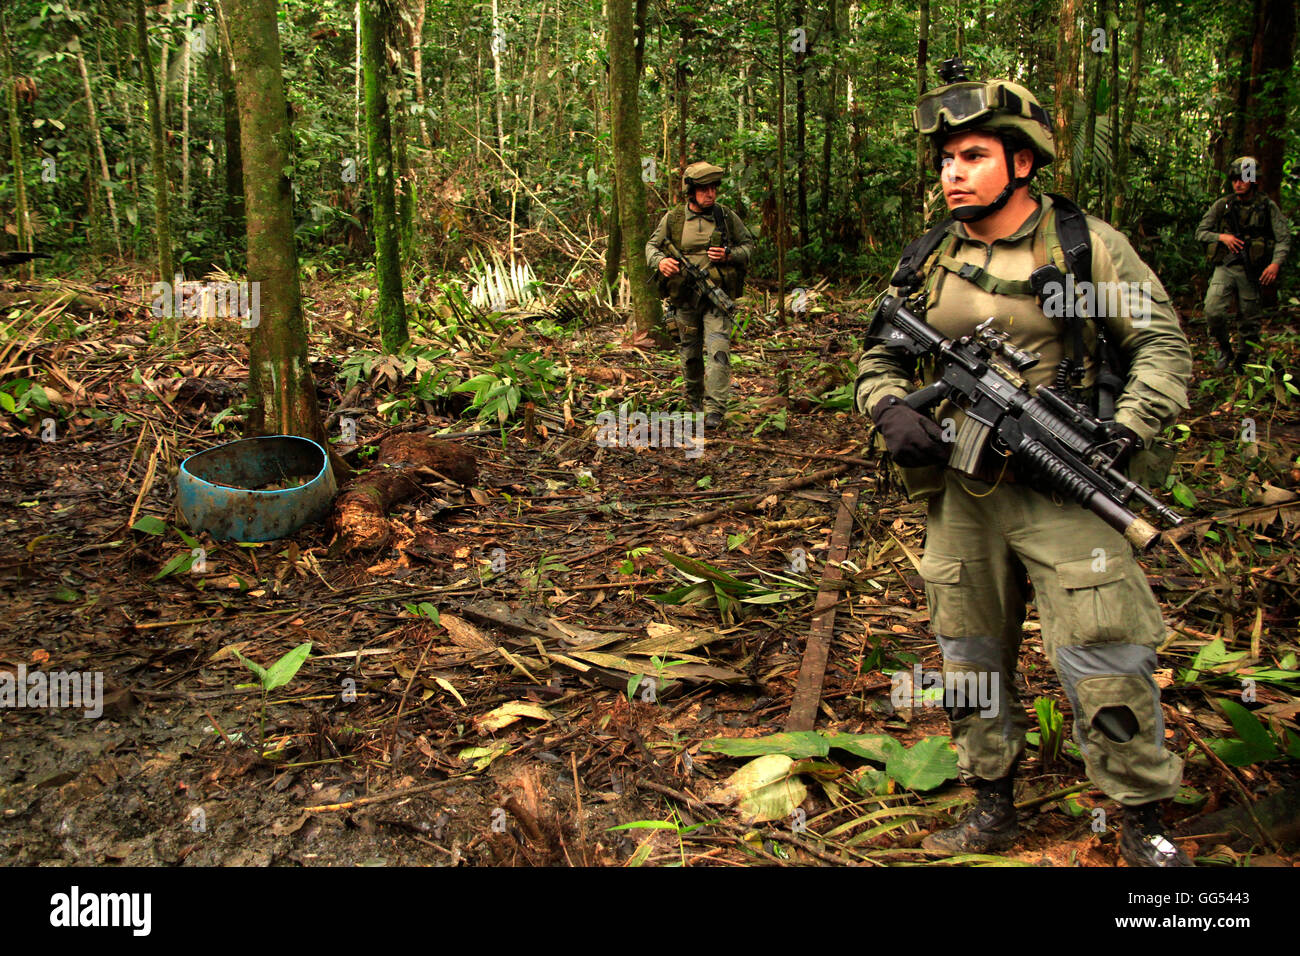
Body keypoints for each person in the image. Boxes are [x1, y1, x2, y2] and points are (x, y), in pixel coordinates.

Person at [854, 61, 1194, 866]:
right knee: (968, 651)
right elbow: (879, 357)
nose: (952, 174)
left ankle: (1142, 814)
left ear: (1023, 161)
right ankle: (990, 801)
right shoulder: (925, 260)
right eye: (945, 161)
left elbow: (1161, 345)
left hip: (1062, 488)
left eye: (971, 156)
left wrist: (1127, 430)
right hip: (961, 493)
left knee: (1104, 650)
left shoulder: (1083, 247)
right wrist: (890, 409)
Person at [645, 162, 754, 430]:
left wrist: (729, 254)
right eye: (704, 189)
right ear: (691, 192)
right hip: (684, 297)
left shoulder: (726, 217)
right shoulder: (673, 219)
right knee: (690, 353)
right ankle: (694, 398)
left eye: (714, 188)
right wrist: (660, 262)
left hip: (716, 299)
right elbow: (651, 246)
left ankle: (715, 408)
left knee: (718, 352)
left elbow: (749, 246)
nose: (711, 194)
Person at [1195, 156, 1291, 370]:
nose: (1238, 183)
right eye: (1235, 179)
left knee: (1250, 317)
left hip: (1252, 270)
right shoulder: (1224, 205)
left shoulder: (1267, 207)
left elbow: (1283, 238)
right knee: (1213, 310)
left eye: (1243, 179)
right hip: (1226, 266)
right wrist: (1222, 238)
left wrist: (1274, 264)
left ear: (1253, 180)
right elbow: (1201, 233)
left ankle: (1242, 358)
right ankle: (1224, 349)